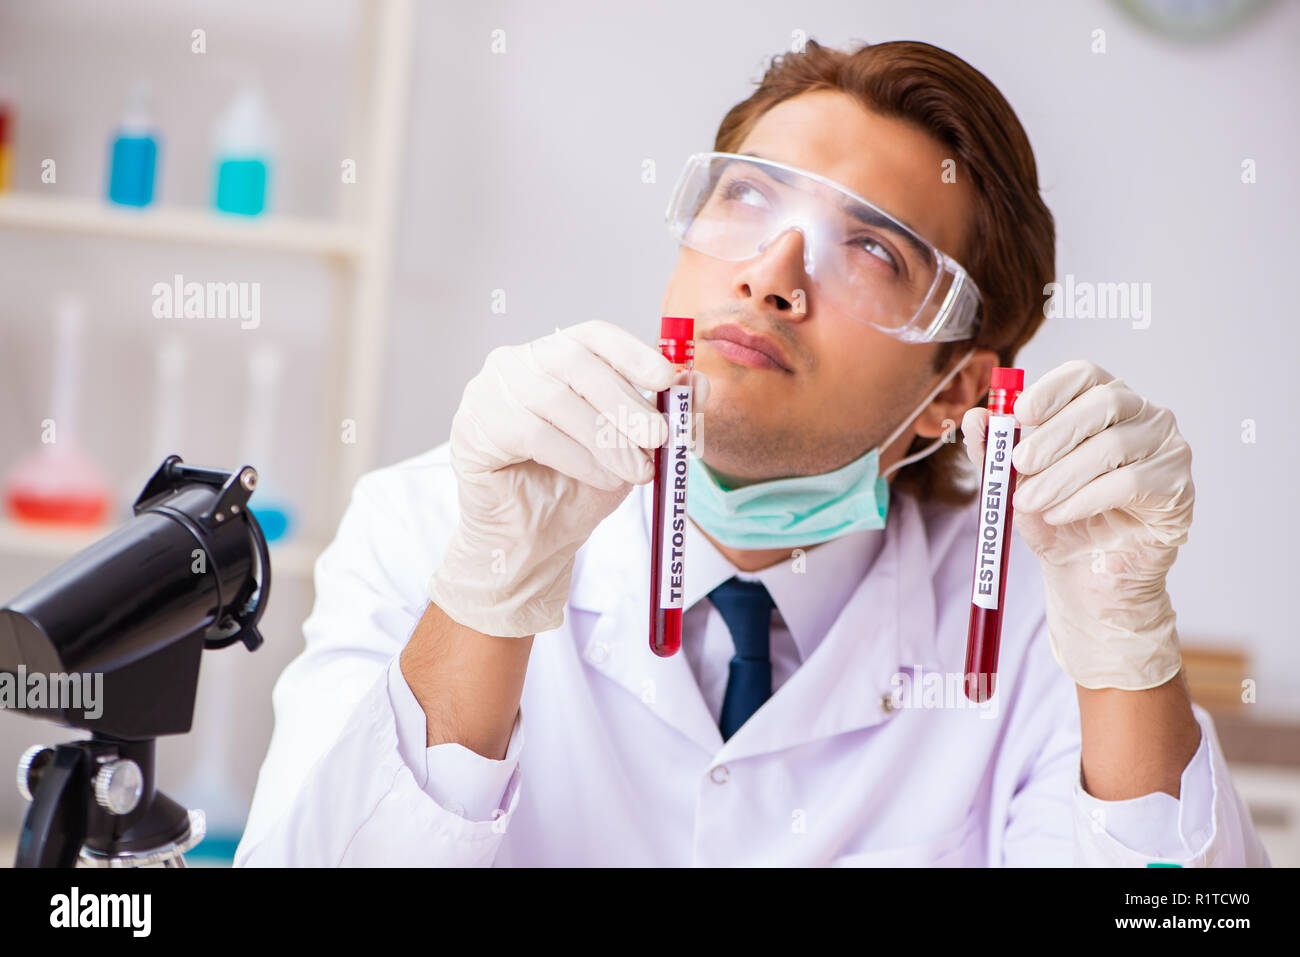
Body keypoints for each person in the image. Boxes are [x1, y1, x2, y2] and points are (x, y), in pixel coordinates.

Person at [235, 39, 1268, 866]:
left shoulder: (1048, 628)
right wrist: (490, 592)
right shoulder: (432, 527)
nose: (771, 275)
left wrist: (1129, 648)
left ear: (952, 392)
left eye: (871, 249)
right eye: (746, 200)